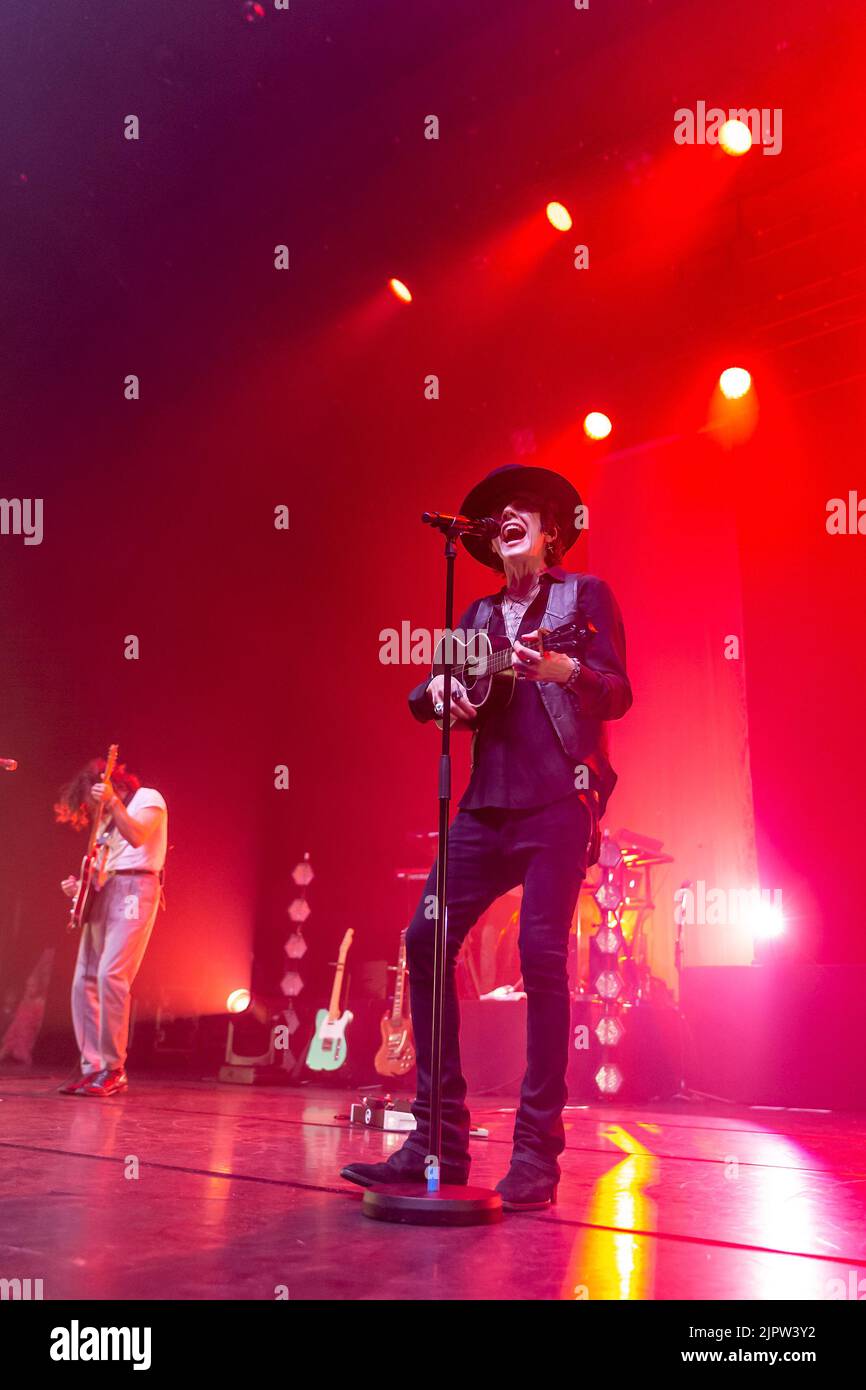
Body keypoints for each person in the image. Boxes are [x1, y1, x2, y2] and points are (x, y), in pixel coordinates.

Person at [341, 463, 632, 1209]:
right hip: (484, 809)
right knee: (423, 940)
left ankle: (537, 1151)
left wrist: (566, 669)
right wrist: (440, 694)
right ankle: (436, 1140)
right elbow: (431, 693)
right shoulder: (474, 617)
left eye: (521, 513)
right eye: (498, 515)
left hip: (557, 806)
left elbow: (619, 691)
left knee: (541, 954)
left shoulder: (585, 596)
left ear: (549, 533)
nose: (506, 518)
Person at [55, 757, 167, 1096]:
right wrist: (81, 889)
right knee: (83, 981)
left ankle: (114, 1067)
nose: (94, 809)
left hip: (136, 890)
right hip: (105, 893)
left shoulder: (148, 798)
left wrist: (114, 804)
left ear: (113, 785)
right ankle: (94, 1068)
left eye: (94, 799)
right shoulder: (104, 823)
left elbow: (136, 836)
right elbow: (102, 870)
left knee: (110, 975)